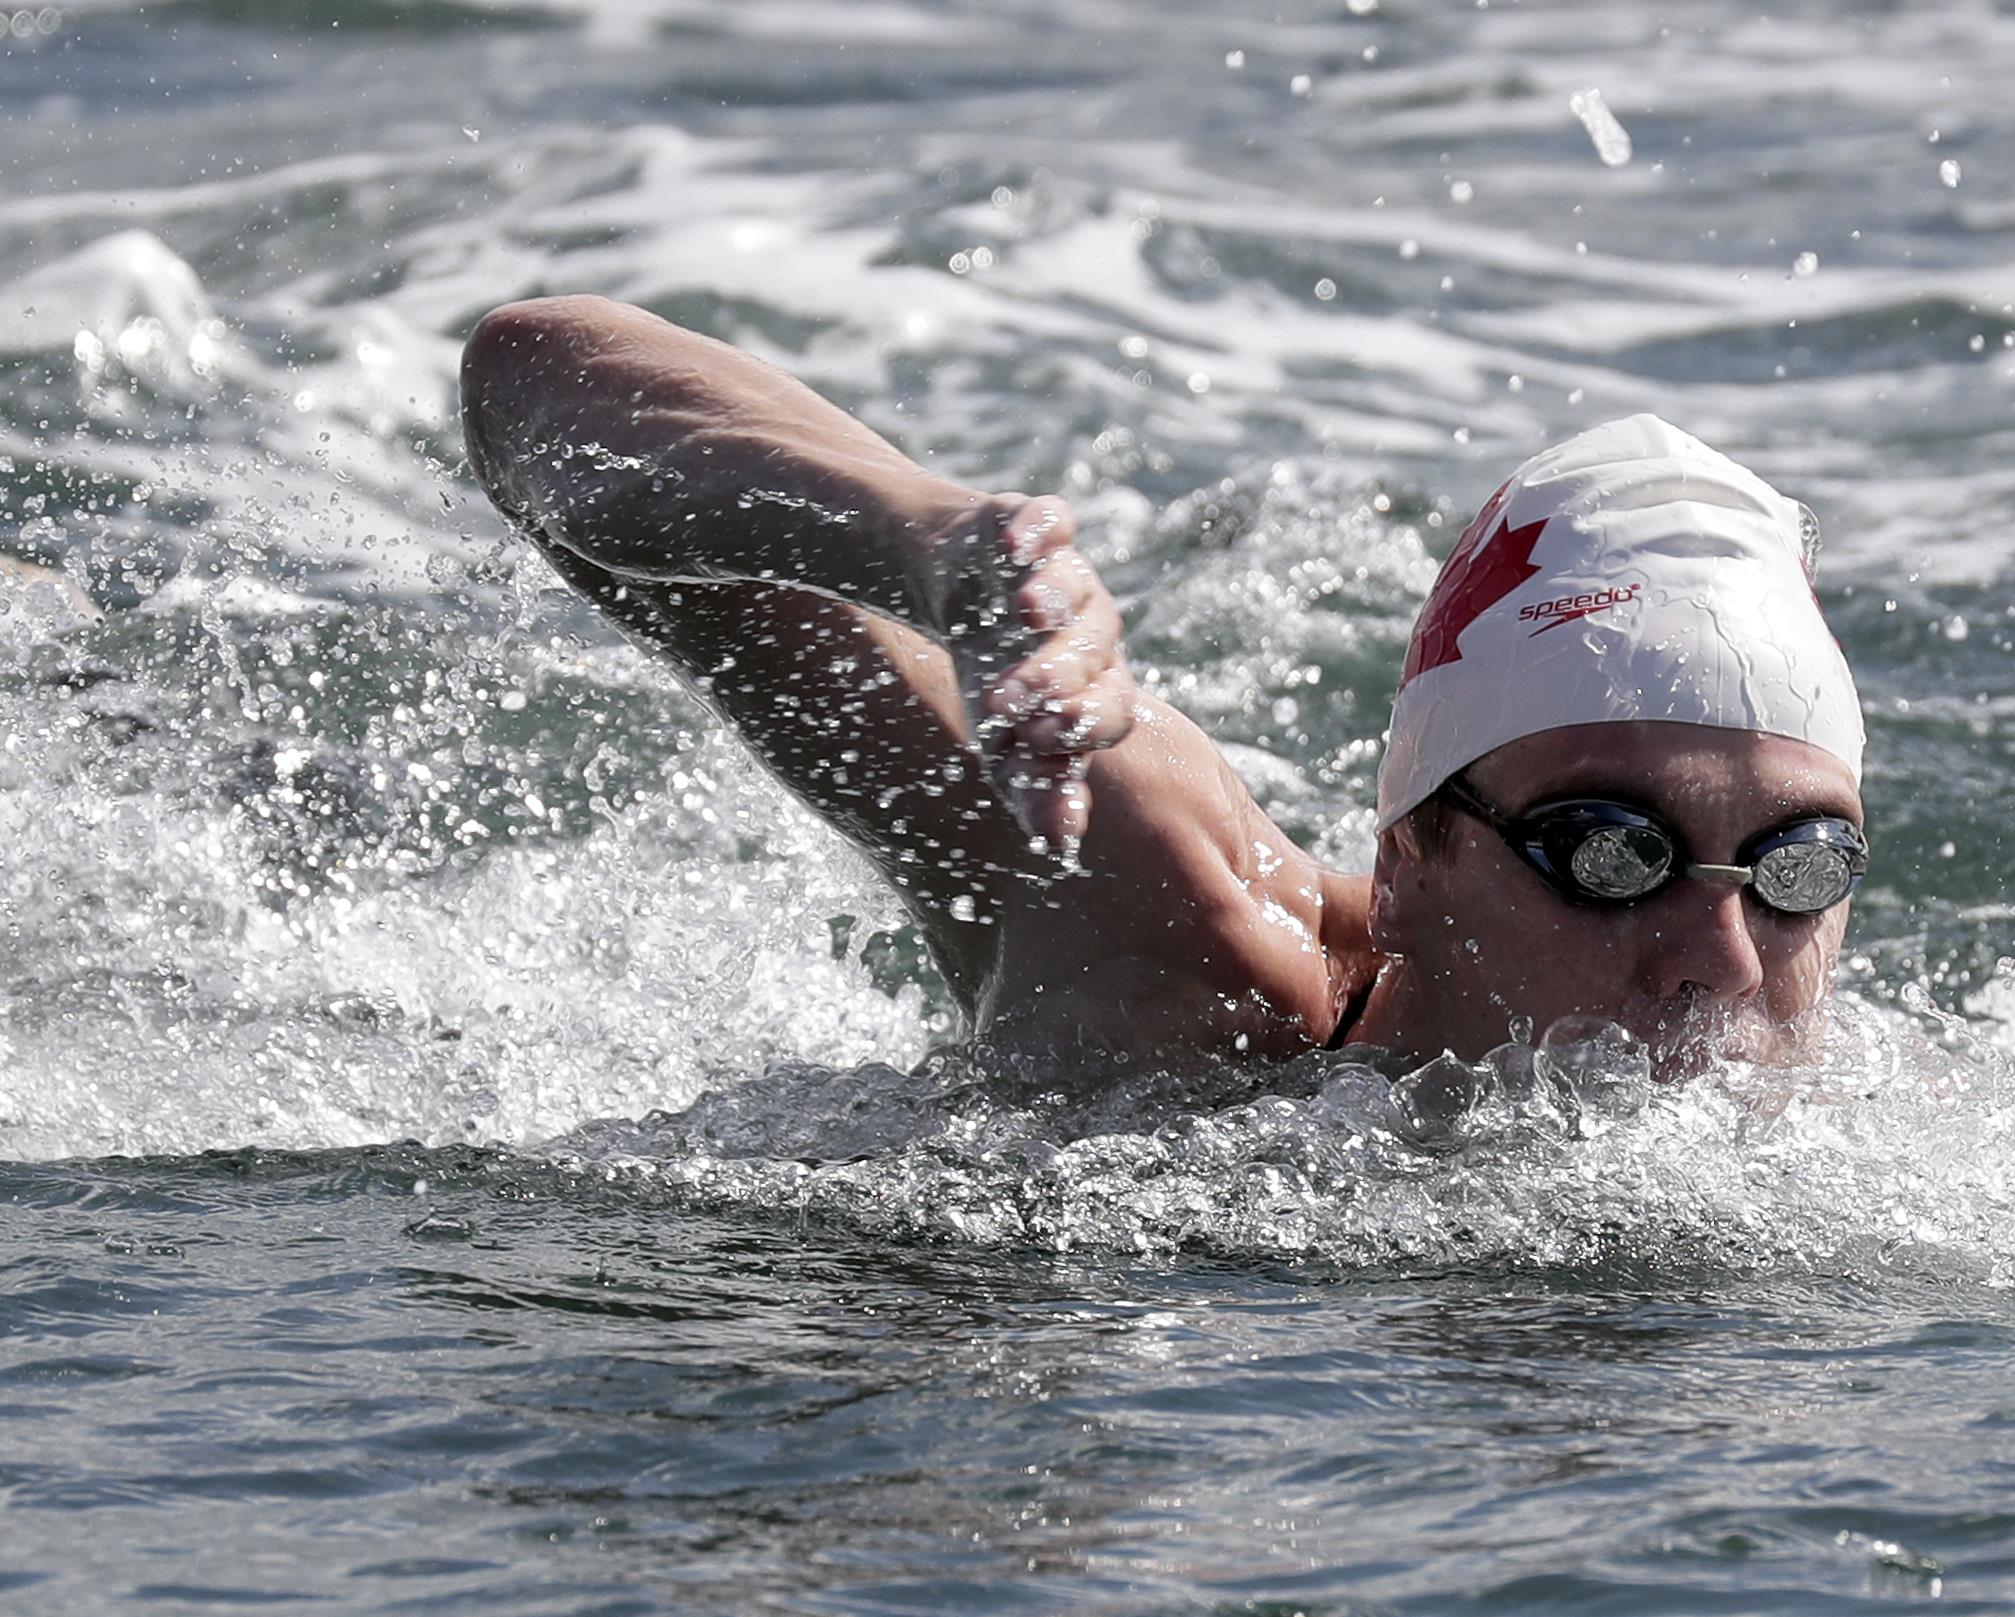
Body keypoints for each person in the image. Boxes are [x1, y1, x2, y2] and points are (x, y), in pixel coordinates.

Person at [460, 297, 1869, 1079]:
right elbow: (532, 380)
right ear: (1412, 860)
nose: (1723, 963)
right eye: (1609, 854)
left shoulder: (1919, 1145)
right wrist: (926, 544)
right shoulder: (1162, 919)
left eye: (1798, 867)